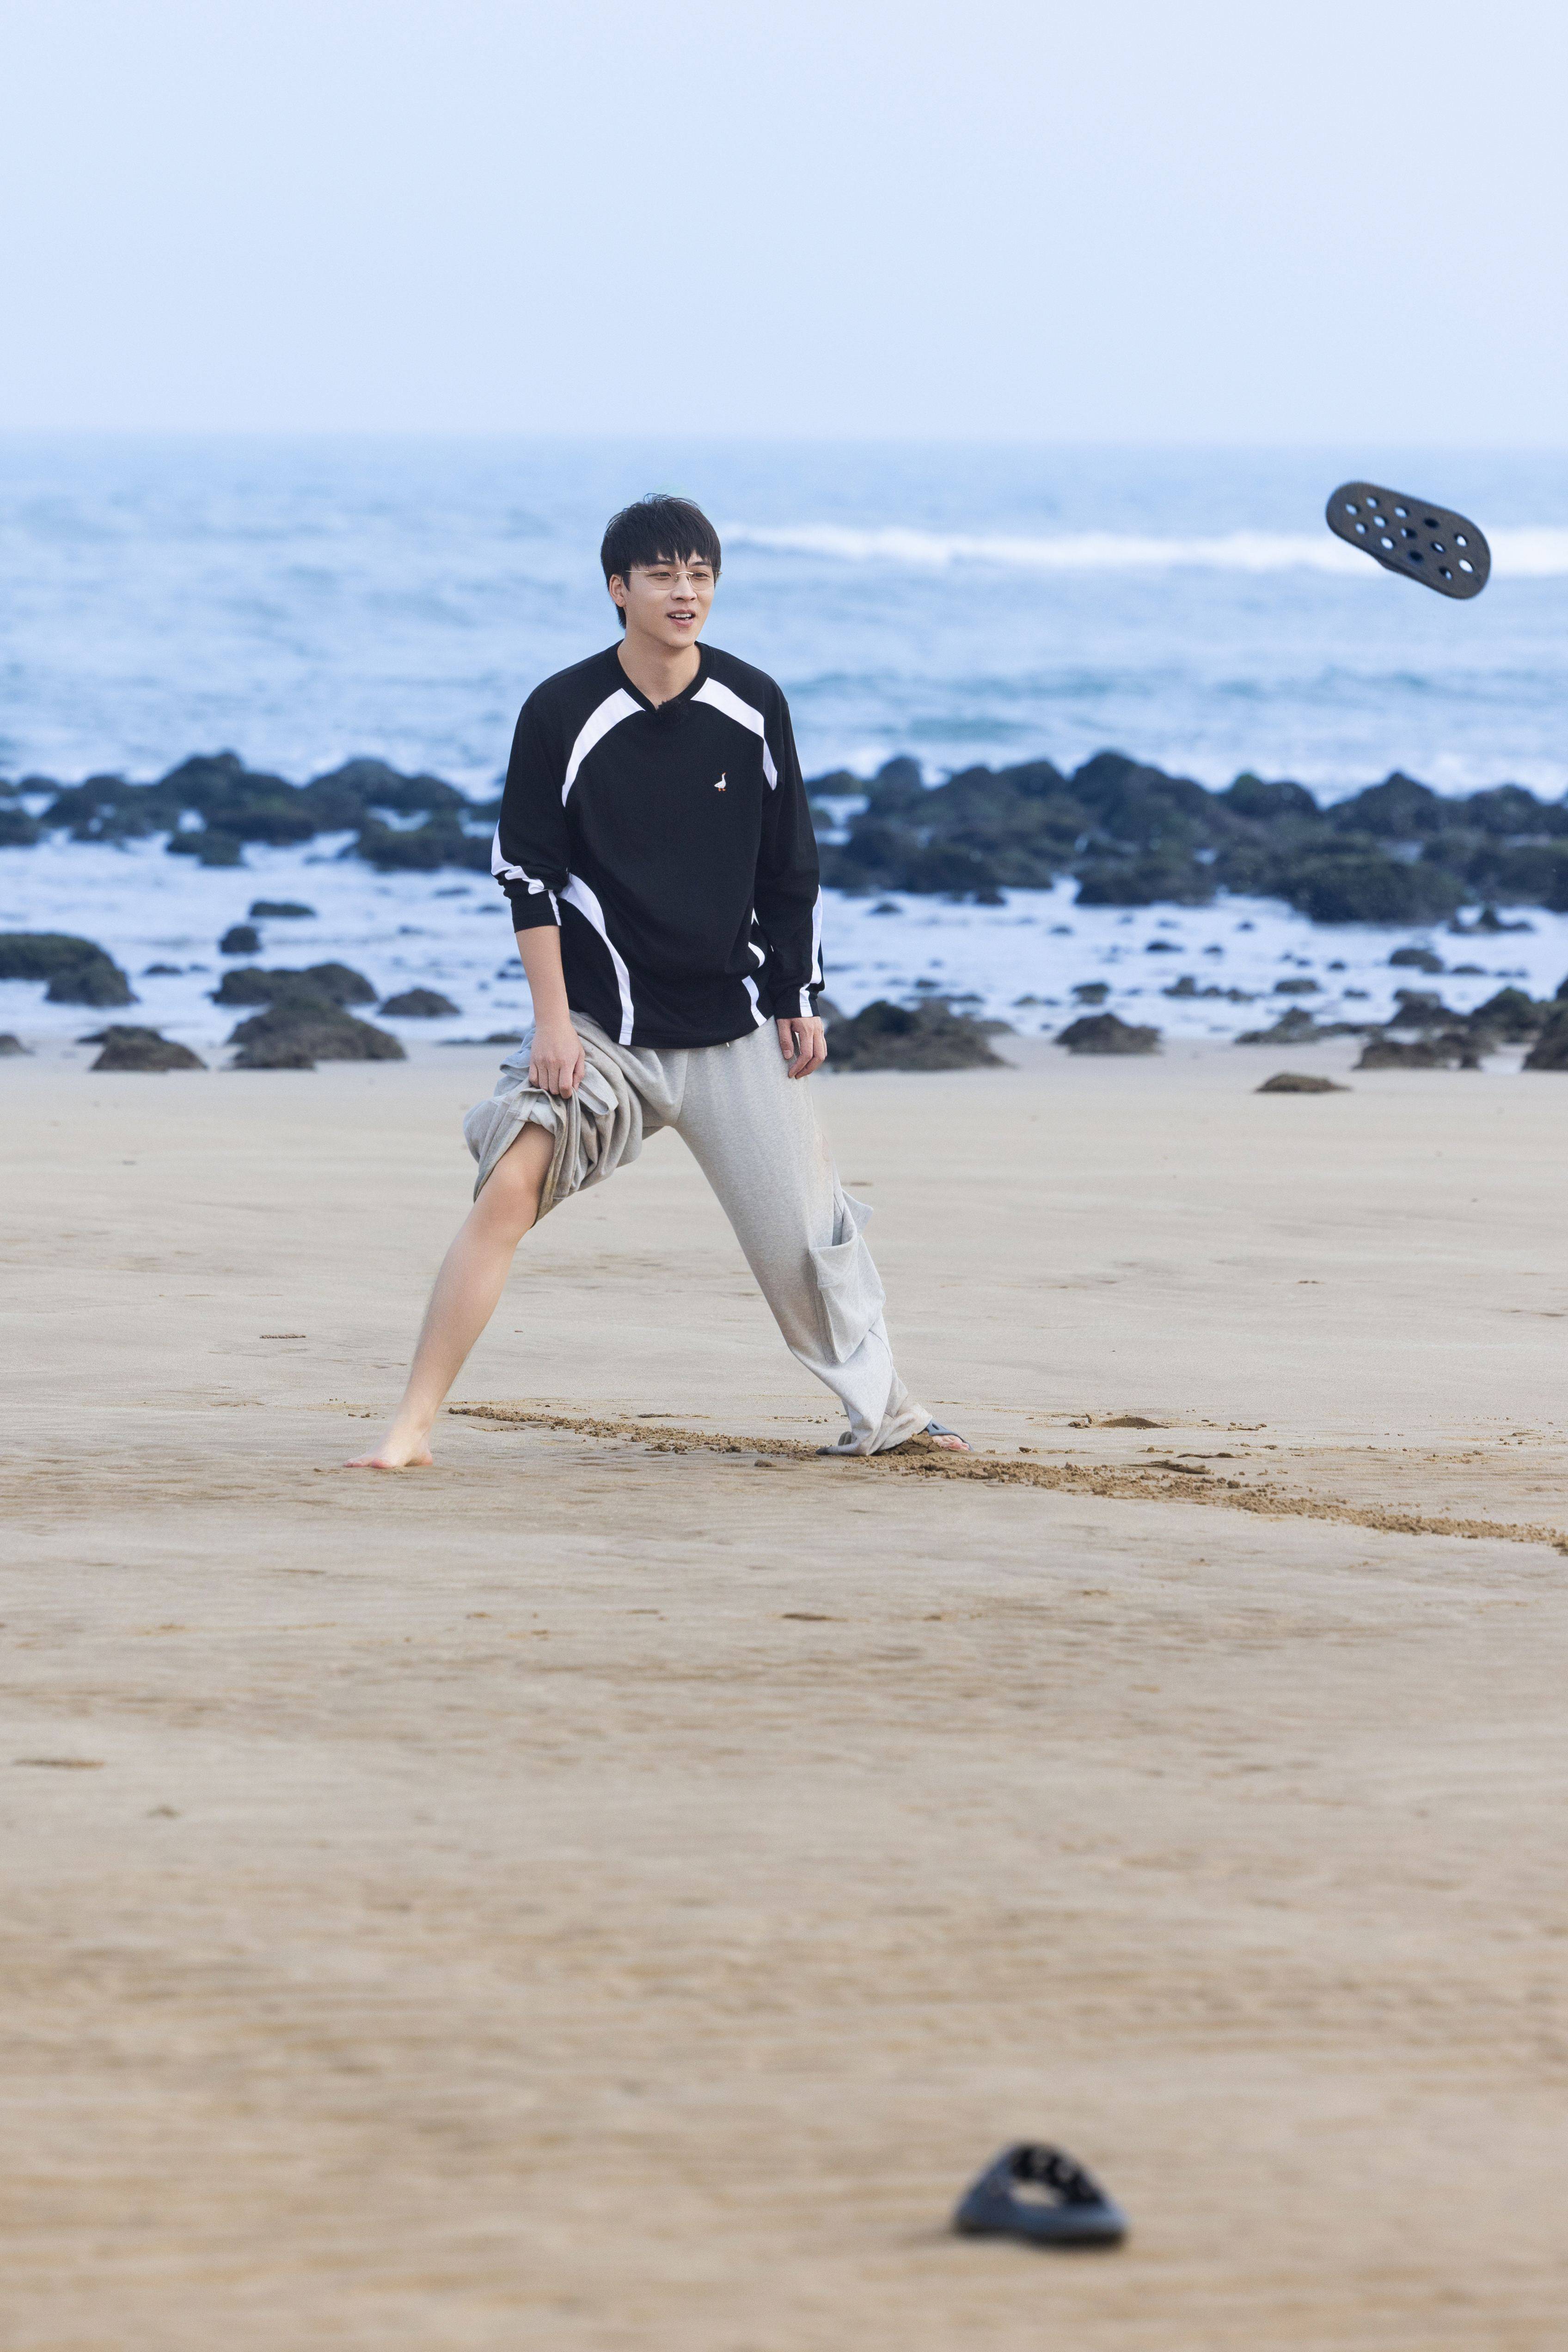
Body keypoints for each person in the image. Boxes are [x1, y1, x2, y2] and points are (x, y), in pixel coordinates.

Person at [349, 494, 967, 1470]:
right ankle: (411, 1430)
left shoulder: (752, 703)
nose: (686, 593)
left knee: (810, 1243)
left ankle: (887, 1418)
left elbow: (789, 866)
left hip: (731, 1032)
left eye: (701, 576)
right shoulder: (562, 710)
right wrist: (552, 1025)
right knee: (506, 1191)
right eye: (664, 576)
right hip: (603, 1034)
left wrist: (797, 998)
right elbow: (528, 879)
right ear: (618, 589)